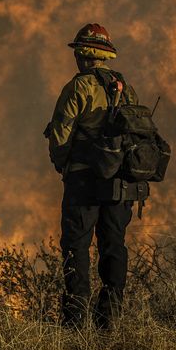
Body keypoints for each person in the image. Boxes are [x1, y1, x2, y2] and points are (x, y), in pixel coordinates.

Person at [44, 23, 139, 329]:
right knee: (114, 246)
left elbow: (60, 135)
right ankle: (109, 320)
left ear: (82, 55)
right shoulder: (125, 88)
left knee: (76, 247)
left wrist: (63, 165)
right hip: (119, 186)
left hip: (83, 184)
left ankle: (75, 323)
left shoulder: (77, 87)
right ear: (104, 55)